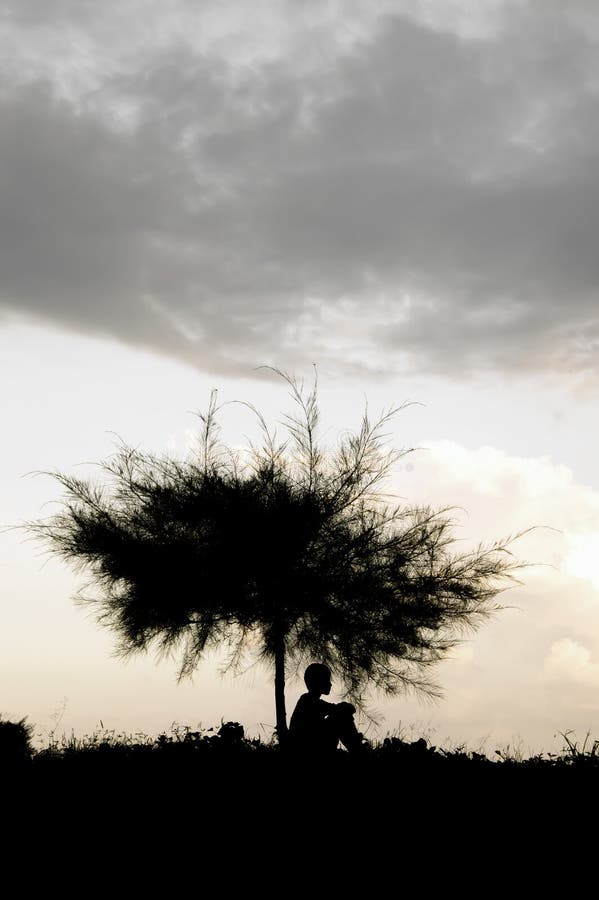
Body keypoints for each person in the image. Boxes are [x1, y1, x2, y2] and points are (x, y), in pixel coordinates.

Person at [288, 663, 366, 753]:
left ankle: (358, 750)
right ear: (318, 682)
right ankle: (359, 752)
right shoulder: (307, 700)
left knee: (341, 715)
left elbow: (341, 709)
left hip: (311, 745)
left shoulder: (310, 700)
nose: (330, 684)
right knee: (342, 717)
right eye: (327, 680)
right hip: (307, 748)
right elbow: (342, 710)